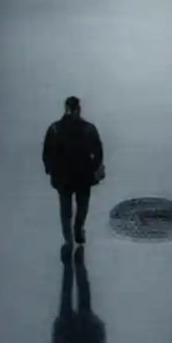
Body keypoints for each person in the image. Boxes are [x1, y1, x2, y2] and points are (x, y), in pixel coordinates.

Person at [43, 96, 105, 246]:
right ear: (78, 109)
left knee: (65, 208)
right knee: (82, 206)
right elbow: (98, 151)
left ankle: (67, 236)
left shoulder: (55, 129)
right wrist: (95, 167)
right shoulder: (88, 129)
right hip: (83, 176)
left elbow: (47, 153)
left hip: (62, 176)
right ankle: (78, 229)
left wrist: (50, 170)